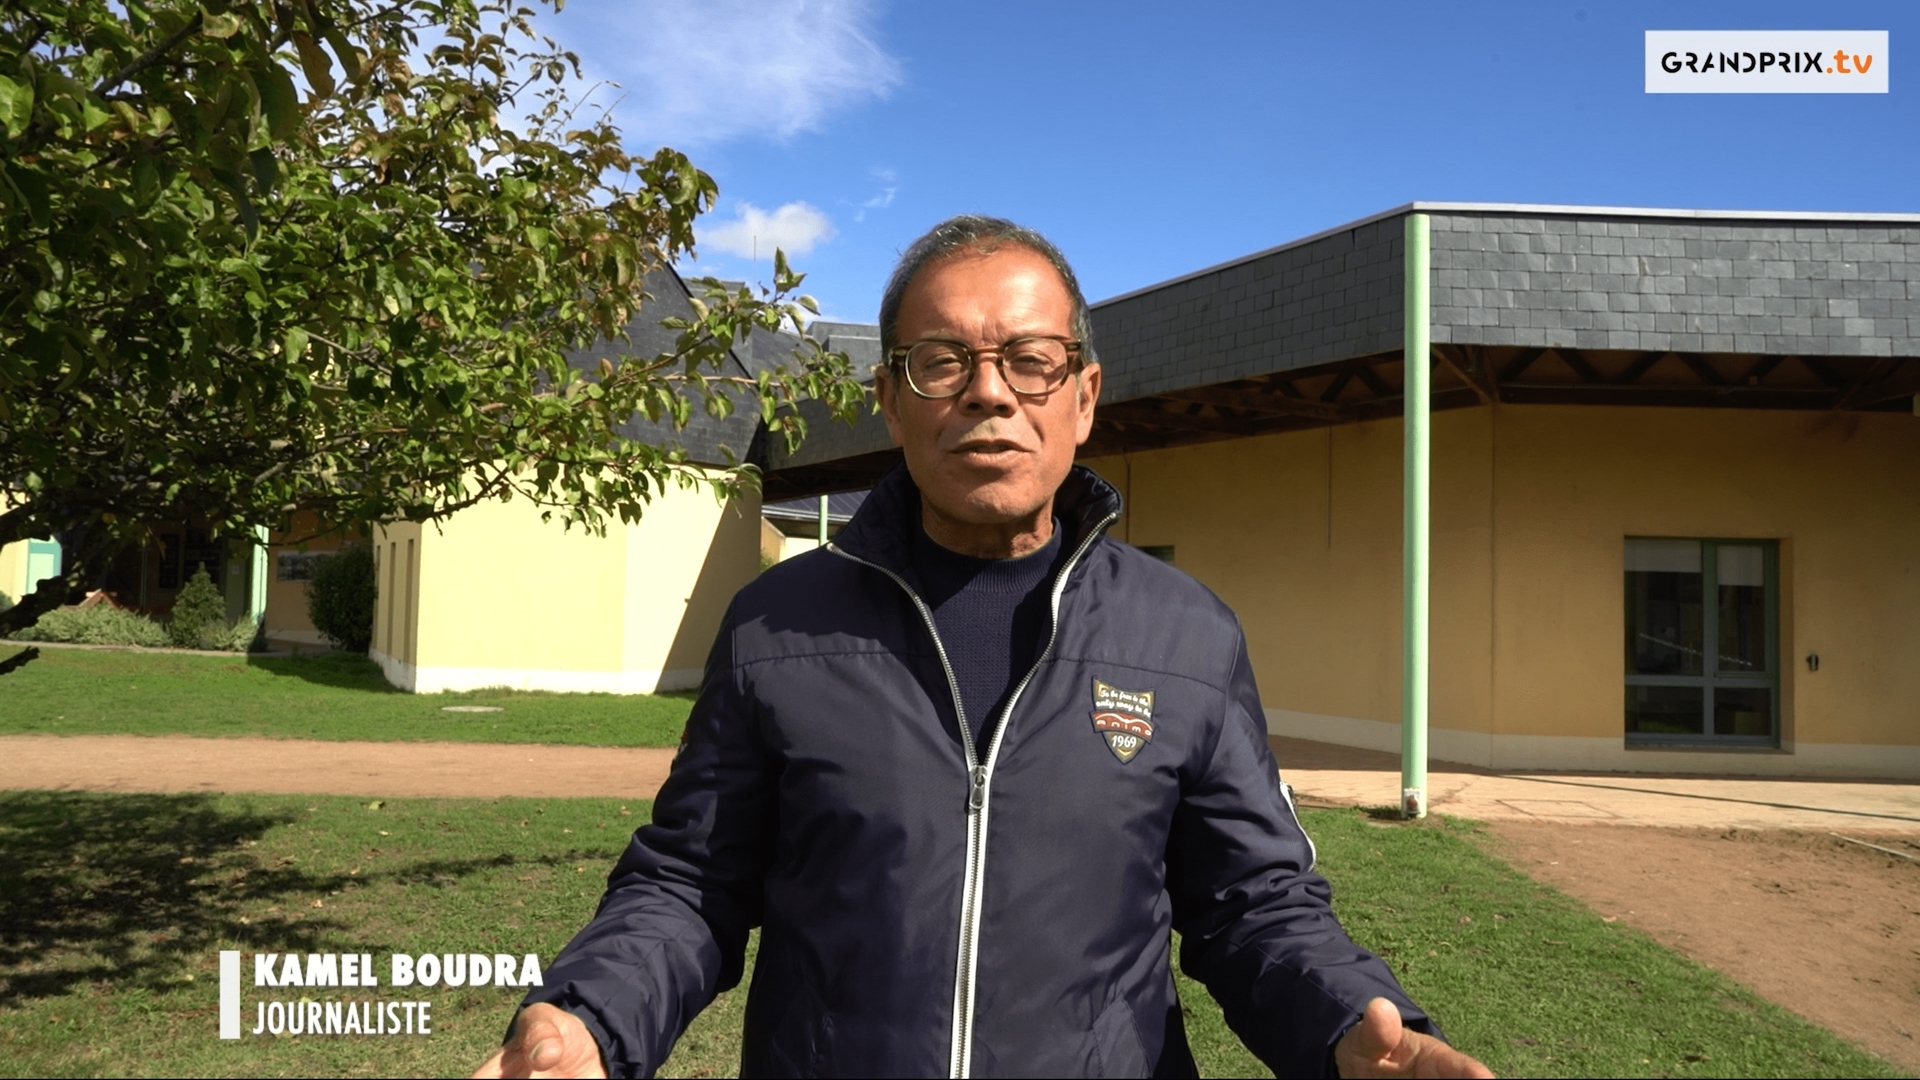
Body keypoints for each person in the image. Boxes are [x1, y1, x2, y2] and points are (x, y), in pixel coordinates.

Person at [474, 216, 1492, 1079]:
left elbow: (1253, 904)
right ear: (890, 398)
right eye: (942, 361)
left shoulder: (1185, 635)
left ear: (1083, 396)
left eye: (1031, 360)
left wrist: (1350, 1024)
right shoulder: (776, 626)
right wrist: (591, 1019)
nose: (990, 394)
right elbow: (692, 883)